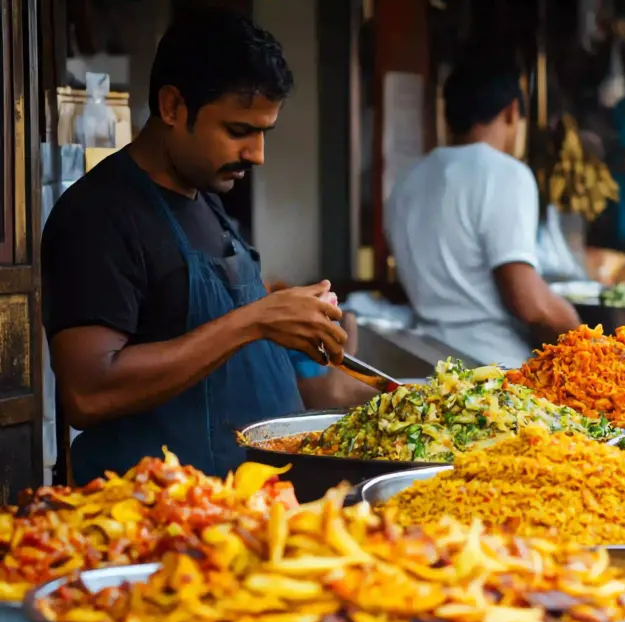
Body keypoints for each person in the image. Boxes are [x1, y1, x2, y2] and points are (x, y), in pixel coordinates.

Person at [42, 9, 375, 484]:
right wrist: (256, 319)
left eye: (264, 133)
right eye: (239, 131)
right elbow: (88, 392)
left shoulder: (208, 203)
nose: (256, 154)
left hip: (254, 507)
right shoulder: (98, 216)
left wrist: (297, 327)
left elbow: (247, 355)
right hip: (162, 519)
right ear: (174, 107)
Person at [384, 54, 580, 368]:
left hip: (427, 356)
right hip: (494, 367)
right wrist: (583, 333)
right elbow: (528, 302)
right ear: (512, 112)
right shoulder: (505, 173)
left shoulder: (407, 182)